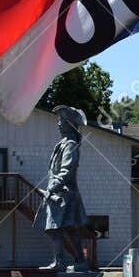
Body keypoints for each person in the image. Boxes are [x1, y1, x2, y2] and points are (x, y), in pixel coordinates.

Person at [35, 106, 89, 267]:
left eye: (62, 121)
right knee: (65, 229)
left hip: (64, 194)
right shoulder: (63, 144)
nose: (58, 124)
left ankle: (63, 262)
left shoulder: (70, 145)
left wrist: (53, 187)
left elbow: (67, 170)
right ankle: (78, 260)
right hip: (60, 193)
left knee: (56, 228)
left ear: (70, 125)